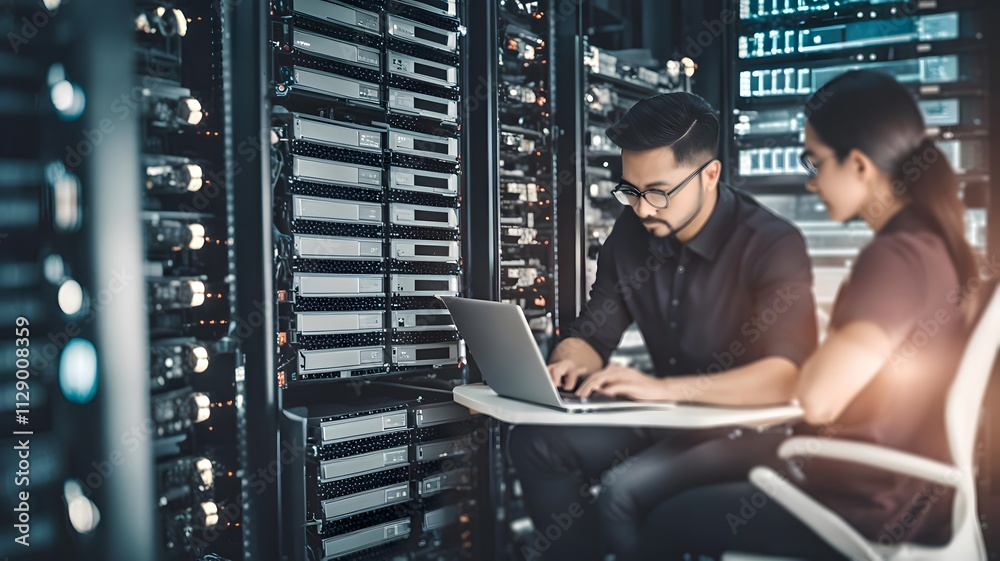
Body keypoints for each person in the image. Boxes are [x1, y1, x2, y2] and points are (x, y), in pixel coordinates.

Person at [635, 70, 984, 560]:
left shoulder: (894, 258)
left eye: (815, 161)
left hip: (864, 502)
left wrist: (825, 345)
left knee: (665, 520)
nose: (810, 180)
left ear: (859, 165)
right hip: (907, 493)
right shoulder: (933, 246)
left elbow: (819, 399)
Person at [508, 91, 819, 561]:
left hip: (749, 429)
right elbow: (594, 333)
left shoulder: (772, 243)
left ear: (709, 174)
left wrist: (663, 389)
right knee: (536, 443)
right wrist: (566, 364)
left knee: (623, 490)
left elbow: (785, 377)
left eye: (657, 192)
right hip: (668, 416)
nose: (642, 209)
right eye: (630, 190)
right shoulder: (631, 235)